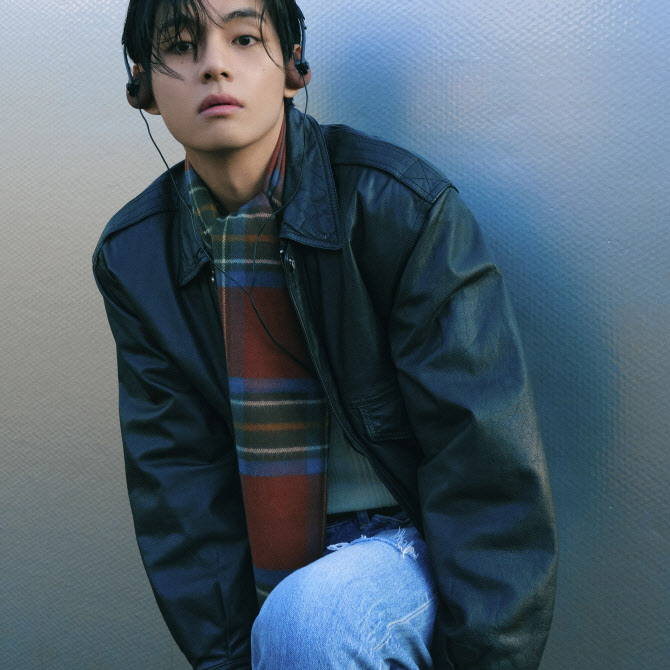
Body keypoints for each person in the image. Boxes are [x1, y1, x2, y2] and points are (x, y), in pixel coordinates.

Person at [93, 0, 558, 668]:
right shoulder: (136, 258)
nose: (214, 64)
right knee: (300, 619)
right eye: (181, 44)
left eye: (244, 38)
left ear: (293, 67)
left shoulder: (401, 207)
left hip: (414, 541)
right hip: (269, 559)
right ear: (141, 83)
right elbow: (179, 488)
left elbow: (483, 461)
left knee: (313, 618)